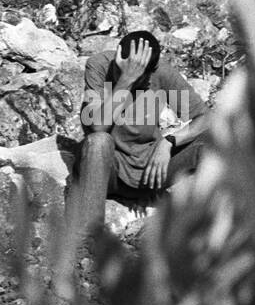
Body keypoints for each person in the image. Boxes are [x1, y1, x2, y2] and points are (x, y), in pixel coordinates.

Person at [70, 30, 210, 234]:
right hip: (110, 171)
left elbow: (205, 117)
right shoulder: (99, 66)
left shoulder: (161, 74)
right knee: (98, 141)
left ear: (150, 74)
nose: (127, 76)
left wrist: (169, 141)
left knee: (216, 141)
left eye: (139, 77)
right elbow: (97, 126)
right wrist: (125, 80)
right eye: (120, 70)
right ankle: (89, 236)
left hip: (151, 172)